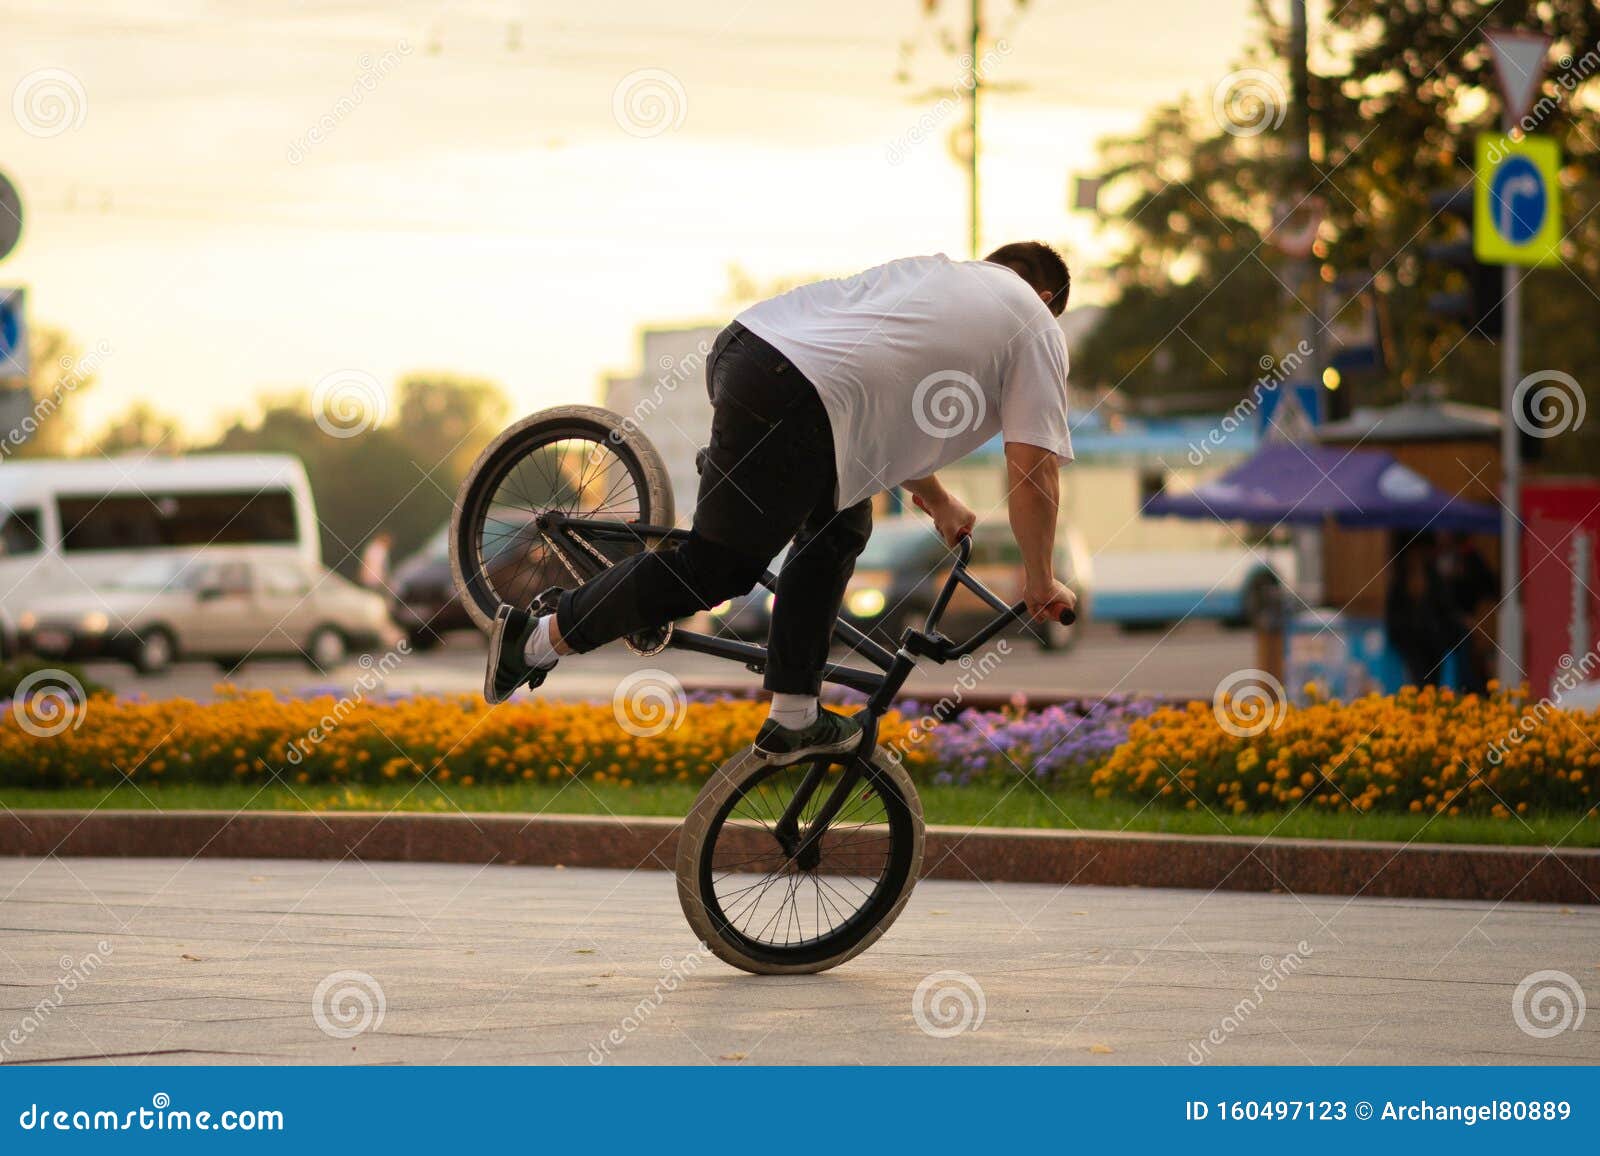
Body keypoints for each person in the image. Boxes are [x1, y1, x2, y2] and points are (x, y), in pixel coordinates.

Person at [484, 243, 1078, 765]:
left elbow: (887, 409)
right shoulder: (1036, 323)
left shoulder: (942, 277)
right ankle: (534, 639)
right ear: (1047, 295)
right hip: (798, 394)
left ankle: (794, 710)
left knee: (842, 521)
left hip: (751, 353)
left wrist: (940, 500)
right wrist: (1041, 578)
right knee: (721, 567)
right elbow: (1034, 471)